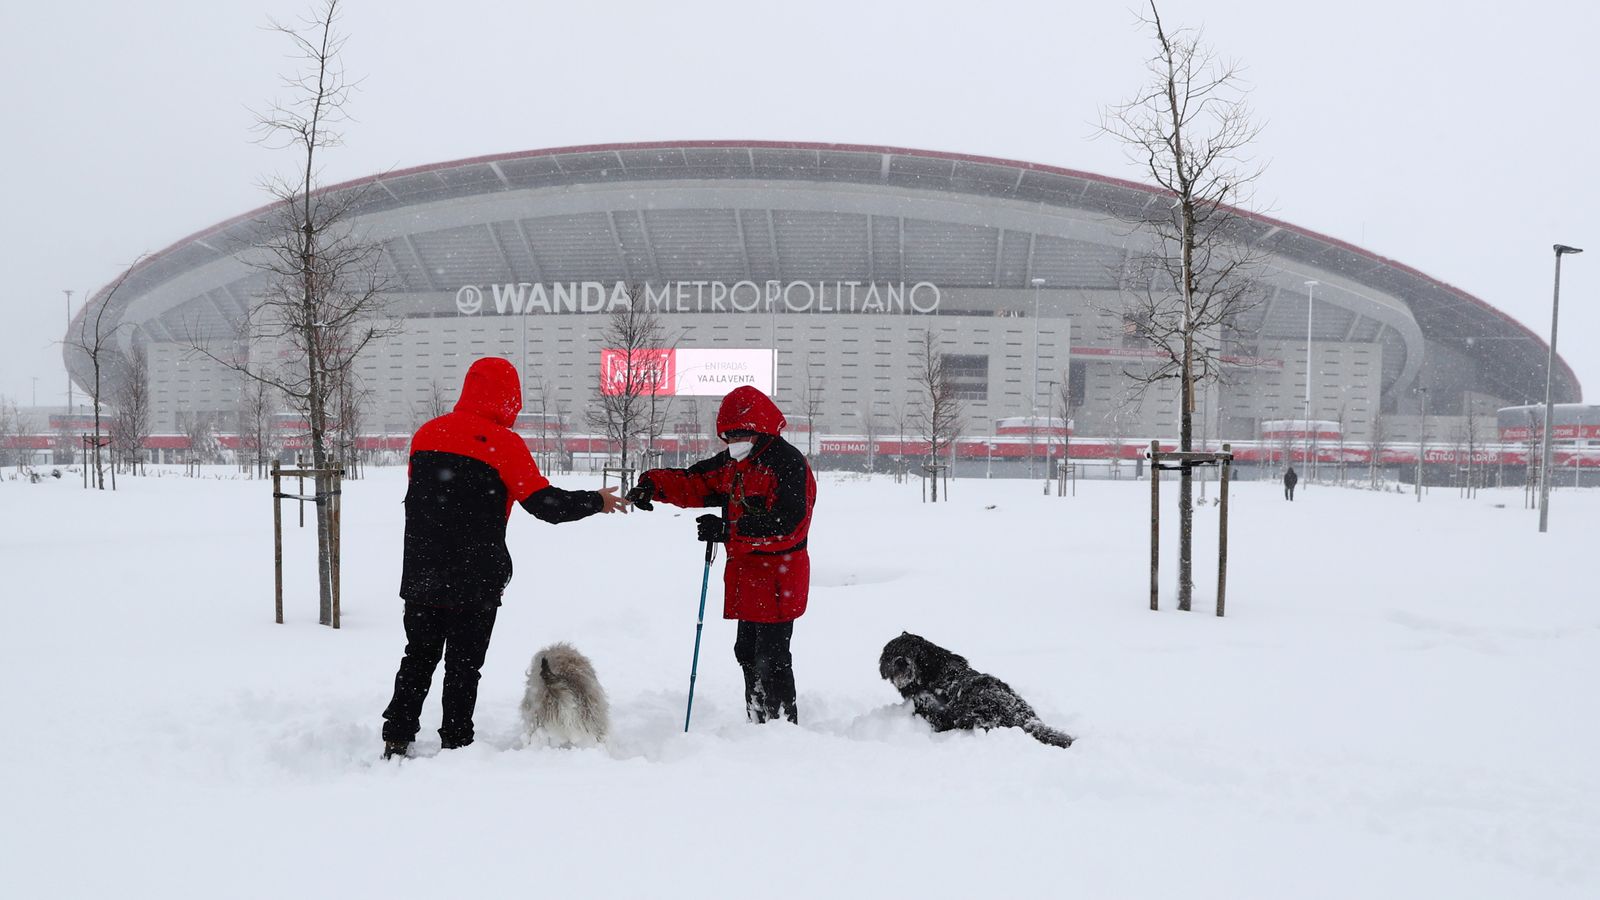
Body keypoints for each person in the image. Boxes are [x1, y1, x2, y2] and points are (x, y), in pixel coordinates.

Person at [381, 357, 626, 759]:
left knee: (418, 656)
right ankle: (456, 741)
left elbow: (420, 496)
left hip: (422, 570)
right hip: (474, 576)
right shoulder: (503, 444)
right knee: (463, 666)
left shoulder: (426, 434)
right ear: (509, 397)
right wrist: (595, 501)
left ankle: (397, 734)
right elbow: (544, 503)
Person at [629, 386, 816, 724]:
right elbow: (694, 481)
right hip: (747, 577)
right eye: (728, 436)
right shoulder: (735, 461)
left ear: (759, 429)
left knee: (771, 658)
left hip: (778, 578)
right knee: (746, 652)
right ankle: (757, 720)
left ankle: (780, 728)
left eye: (740, 433)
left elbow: (790, 524)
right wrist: (651, 486)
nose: (733, 441)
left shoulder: (787, 464)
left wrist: (730, 530)